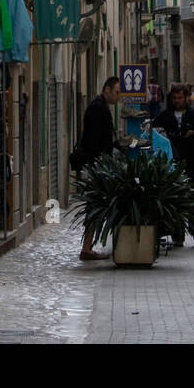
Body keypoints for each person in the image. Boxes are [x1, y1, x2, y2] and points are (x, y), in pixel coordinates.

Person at [152, 84, 194, 246]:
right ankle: (177, 235)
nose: (177, 101)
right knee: (174, 202)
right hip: (171, 168)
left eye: (180, 98)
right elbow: (154, 133)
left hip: (192, 166)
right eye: (174, 98)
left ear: (186, 98)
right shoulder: (164, 117)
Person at [78, 76, 120, 260]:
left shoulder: (101, 107)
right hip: (96, 166)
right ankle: (87, 248)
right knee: (94, 205)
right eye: (116, 92)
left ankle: (88, 247)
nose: (118, 97)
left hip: (98, 164)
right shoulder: (97, 109)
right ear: (107, 90)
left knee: (94, 206)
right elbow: (95, 141)